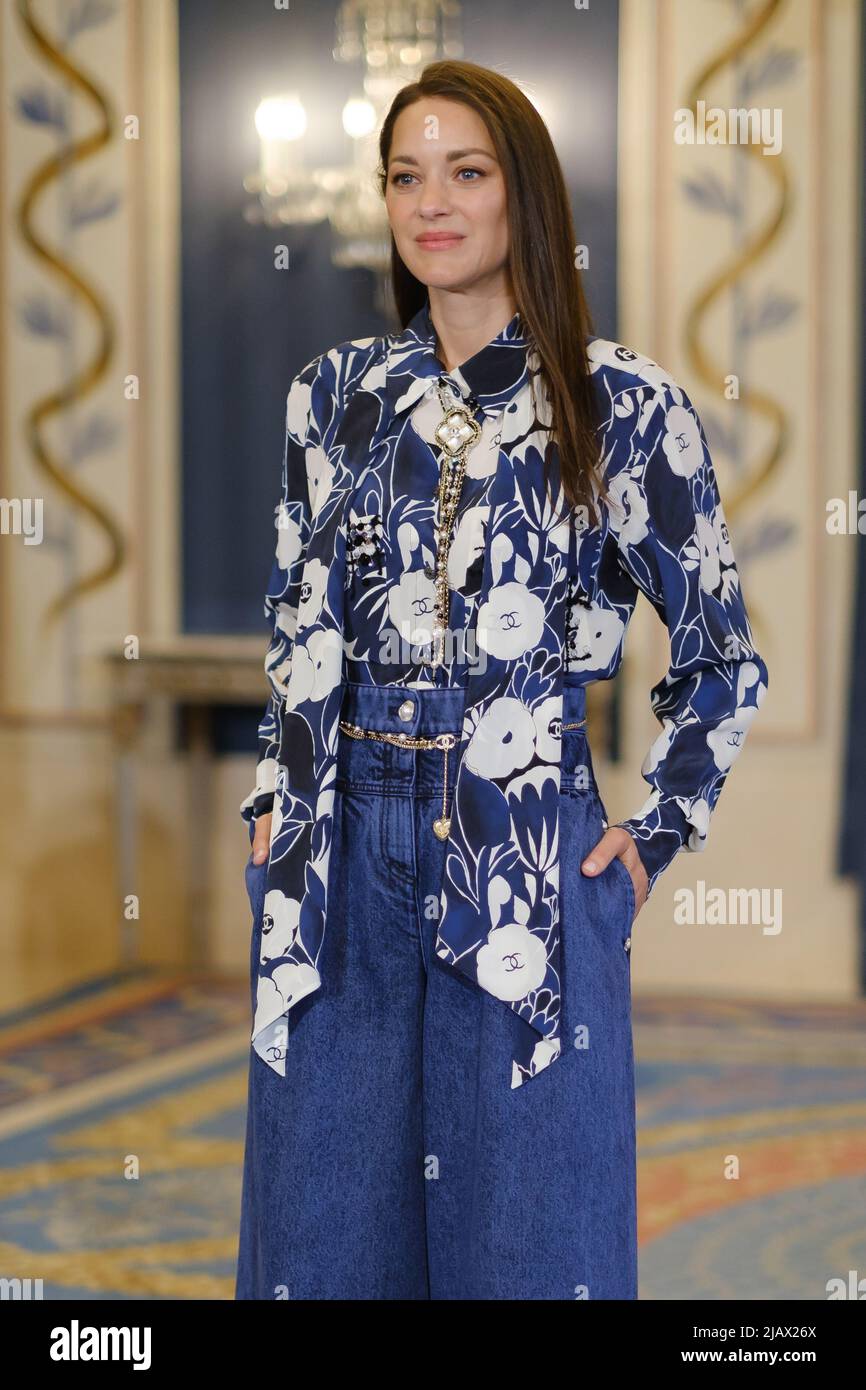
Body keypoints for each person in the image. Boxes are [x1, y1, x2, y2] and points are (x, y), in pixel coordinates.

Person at [234, 59, 767, 1301]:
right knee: (321, 1239)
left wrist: (656, 831)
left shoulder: (621, 404)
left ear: (522, 193)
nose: (430, 203)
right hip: (335, 857)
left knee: (528, 1240)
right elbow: (295, 624)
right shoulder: (334, 396)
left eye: (464, 172)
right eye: (403, 177)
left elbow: (720, 653)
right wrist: (273, 800)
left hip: (526, 845)